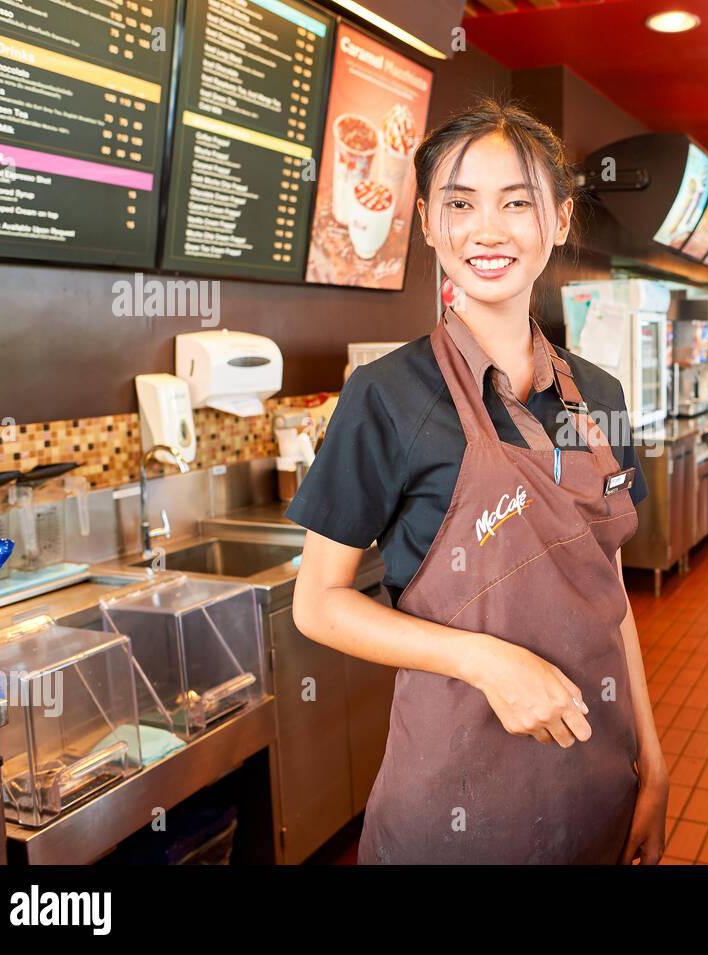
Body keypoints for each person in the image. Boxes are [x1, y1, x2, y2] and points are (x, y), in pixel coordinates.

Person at [287, 99, 669, 864]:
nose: (486, 230)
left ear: (559, 220)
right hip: (453, 800)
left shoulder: (602, 396)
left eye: (516, 202)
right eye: (460, 204)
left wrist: (653, 763)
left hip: (597, 773)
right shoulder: (386, 395)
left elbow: (610, 590)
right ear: (428, 223)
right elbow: (319, 604)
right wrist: (486, 660)